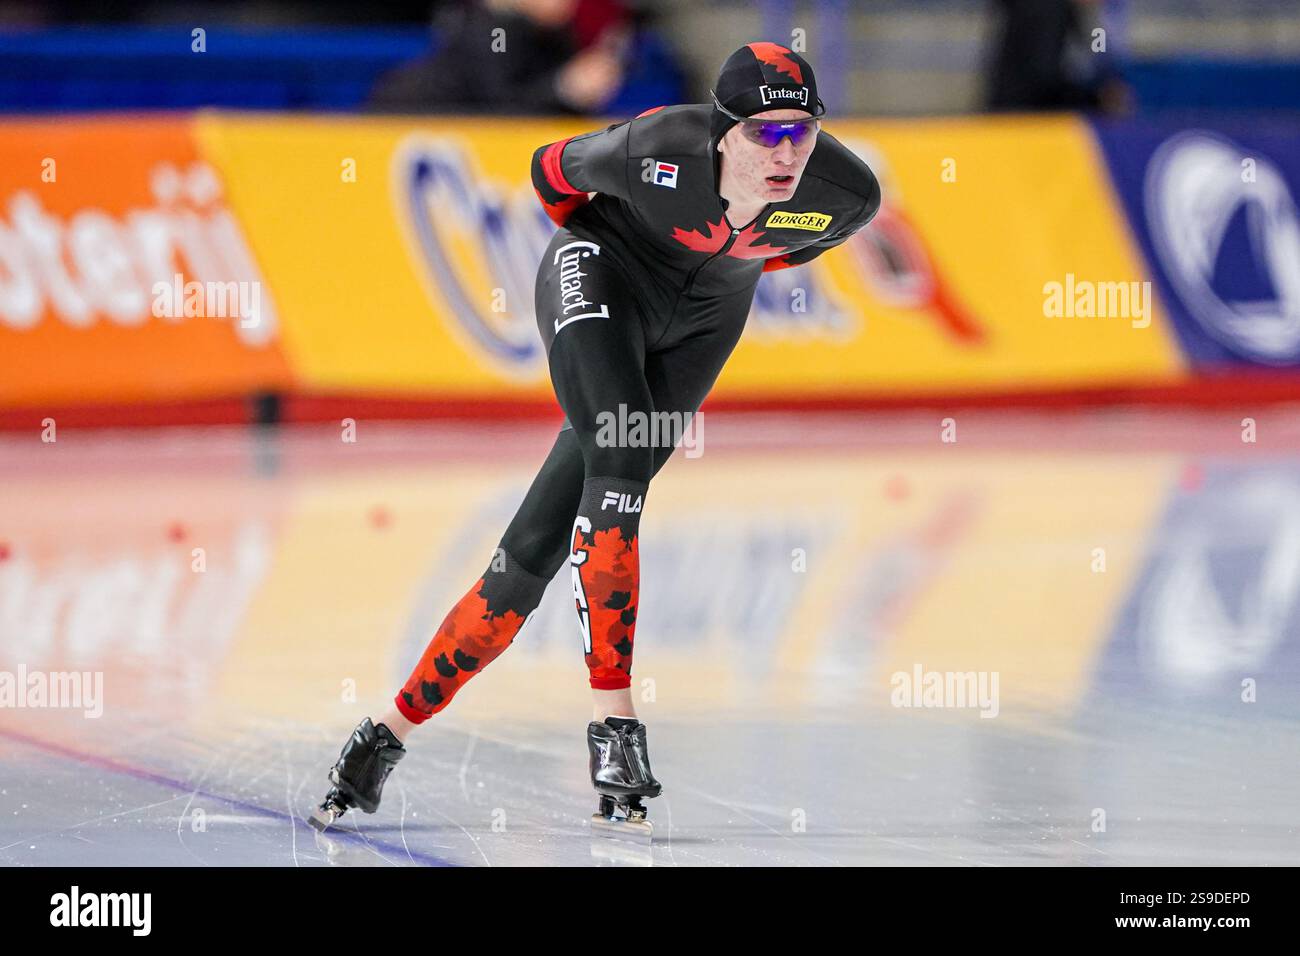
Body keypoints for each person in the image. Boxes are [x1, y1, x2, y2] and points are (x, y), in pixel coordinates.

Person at [311, 40, 881, 838]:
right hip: (600, 270)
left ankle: (383, 736)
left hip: (705, 321)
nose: (784, 153)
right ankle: (615, 730)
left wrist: (716, 263)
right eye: (762, 133)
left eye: (800, 131)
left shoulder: (846, 193)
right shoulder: (657, 147)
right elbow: (551, 173)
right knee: (618, 460)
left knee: (529, 557)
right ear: (721, 131)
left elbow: (797, 247)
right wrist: (598, 246)